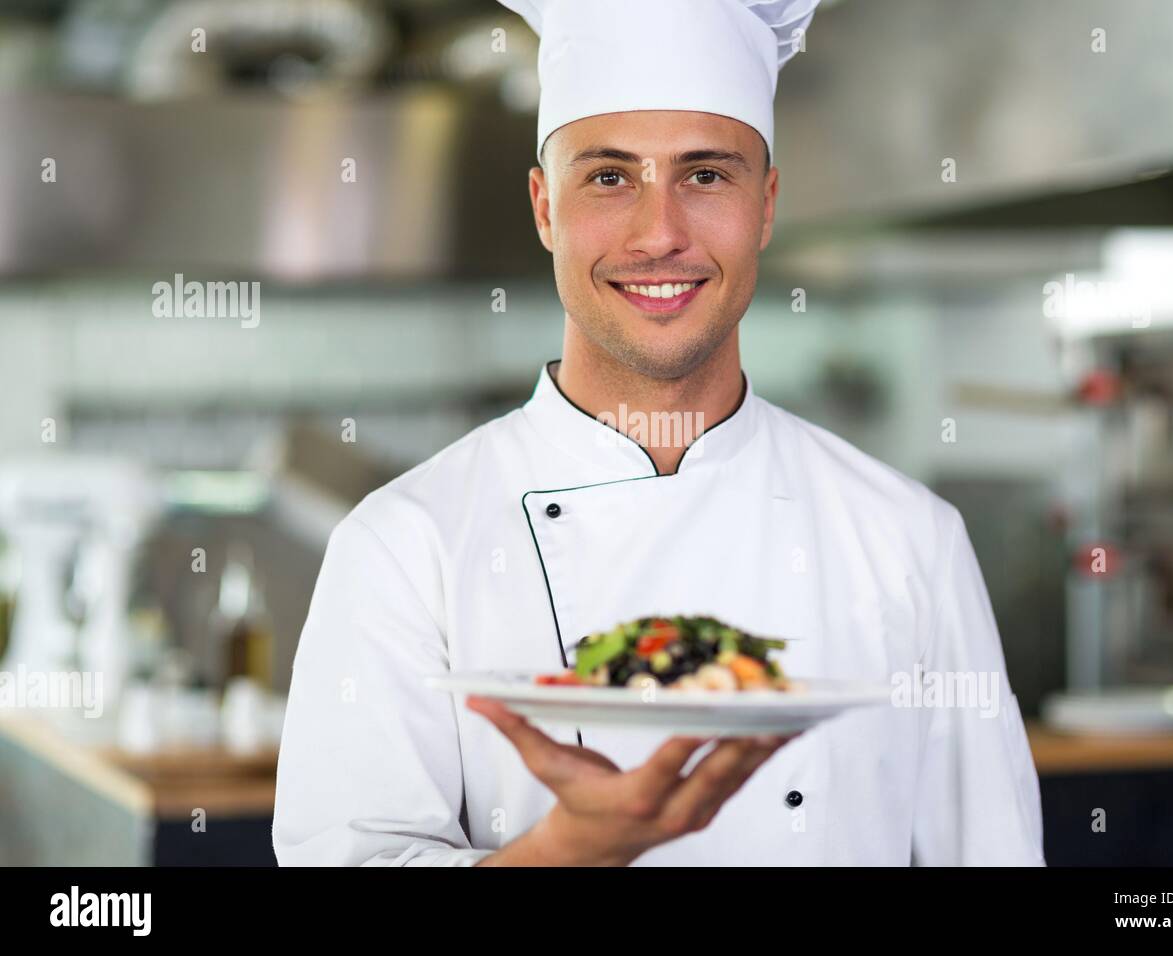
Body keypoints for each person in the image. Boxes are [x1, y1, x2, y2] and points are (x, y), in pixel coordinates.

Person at [272, 0, 1046, 867]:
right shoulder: (403, 545)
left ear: (766, 204)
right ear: (544, 208)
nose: (660, 234)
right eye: (609, 177)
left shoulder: (910, 540)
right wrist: (566, 854)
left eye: (706, 175)